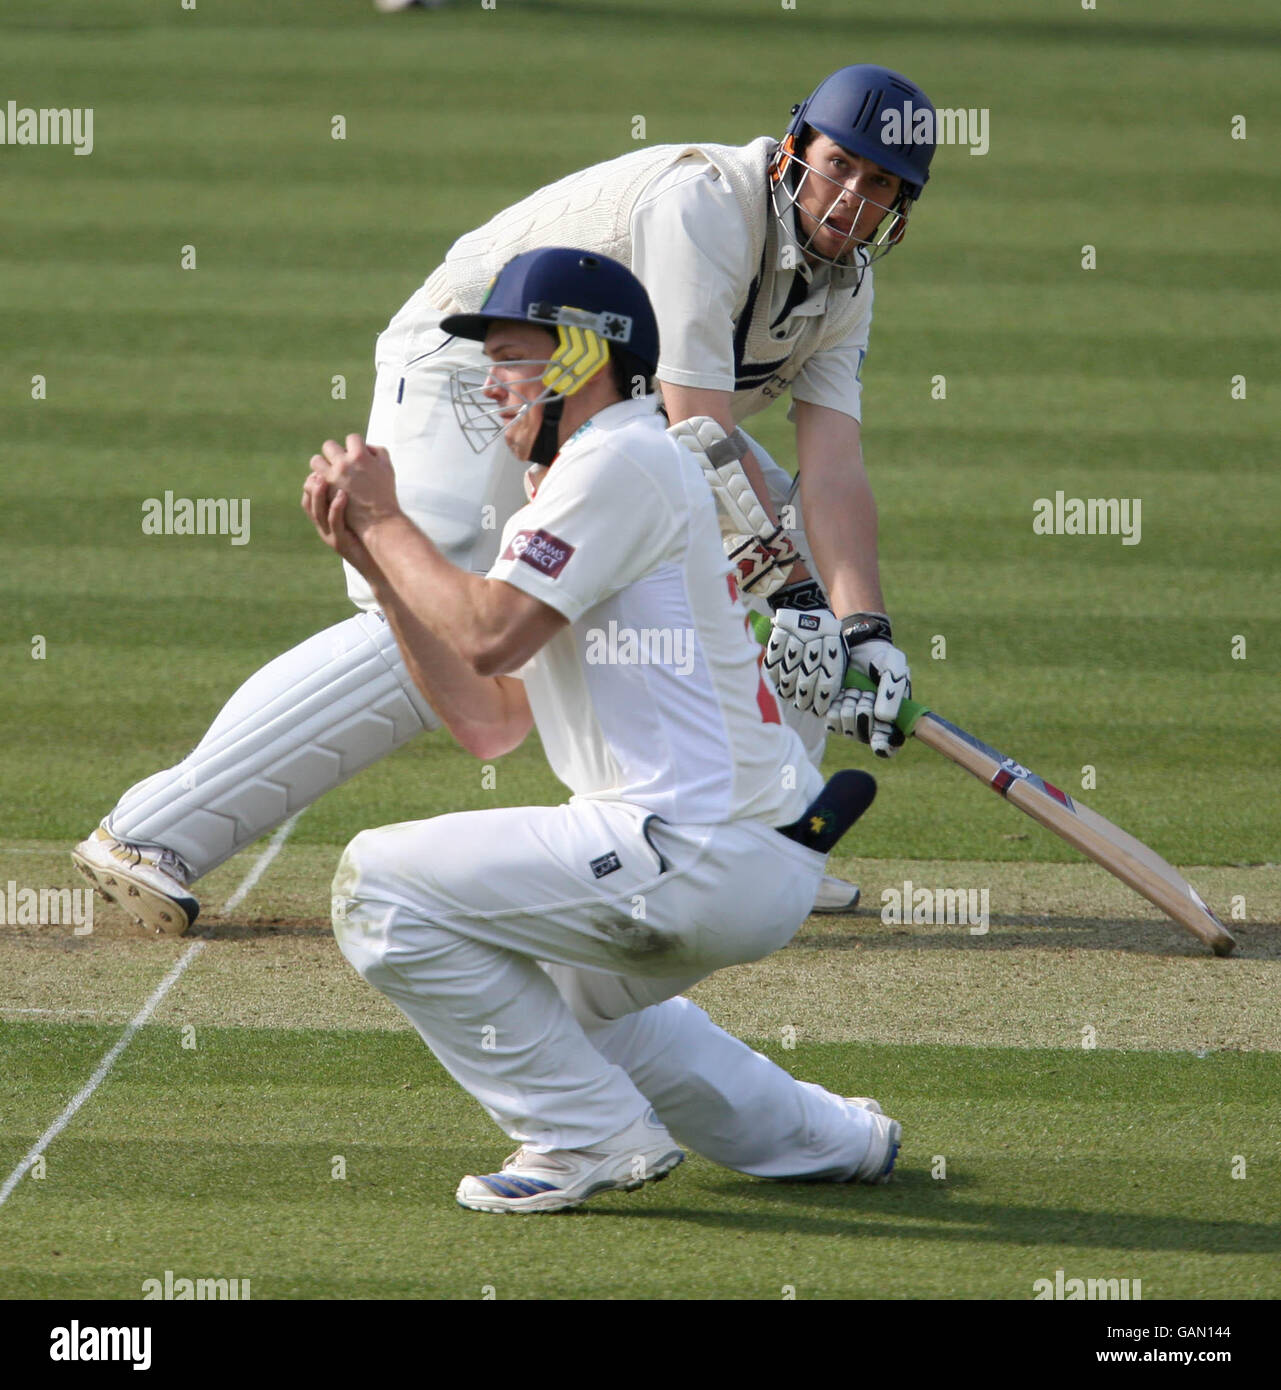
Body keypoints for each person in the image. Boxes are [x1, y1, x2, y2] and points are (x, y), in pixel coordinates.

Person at [72, 64, 937, 932]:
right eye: (840, 166)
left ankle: (765, 838)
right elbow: (695, 430)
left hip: (610, 393)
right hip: (483, 365)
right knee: (437, 613)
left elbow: (831, 471)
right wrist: (787, 594)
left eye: (879, 186)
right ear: (793, 152)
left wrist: (862, 630)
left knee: (802, 575)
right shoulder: (706, 205)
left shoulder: (847, 285)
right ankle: (151, 832)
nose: (850, 199)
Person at [305, 247, 898, 1211]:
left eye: (512, 356)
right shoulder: (591, 479)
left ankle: (582, 1141)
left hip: (692, 846)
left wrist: (388, 521)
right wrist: (378, 565)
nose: (493, 385)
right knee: (551, 1007)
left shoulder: (620, 455)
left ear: (584, 358)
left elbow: (489, 632)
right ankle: (830, 1139)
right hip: (743, 851)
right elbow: (490, 719)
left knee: (377, 886)